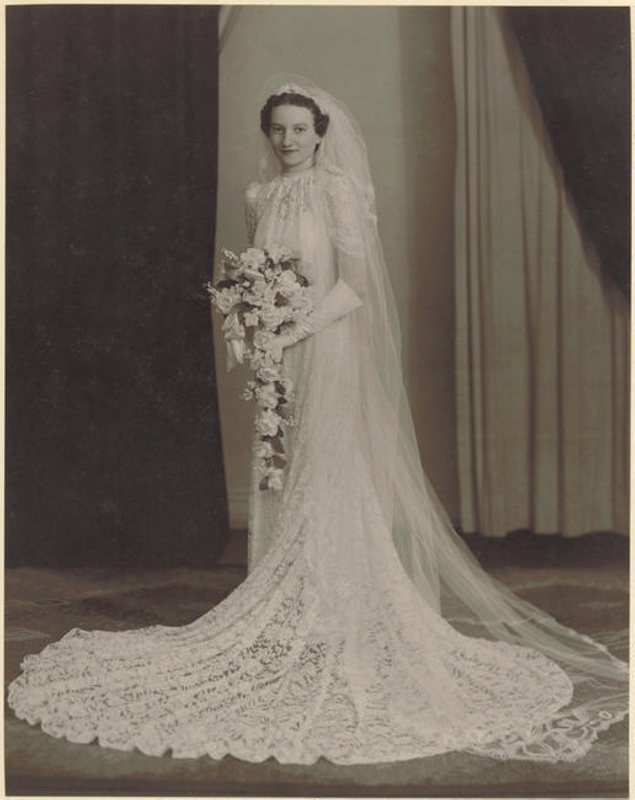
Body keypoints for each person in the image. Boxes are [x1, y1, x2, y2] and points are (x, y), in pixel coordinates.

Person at [8, 75, 627, 765]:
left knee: (324, 471)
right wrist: (252, 325)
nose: (288, 140)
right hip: (279, 355)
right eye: (277, 128)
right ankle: (287, 609)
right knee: (278, 469)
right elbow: (257, 276)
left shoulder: (338, 190)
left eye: (300, 128)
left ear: (320, 132)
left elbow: (354, 286)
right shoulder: (258, 195)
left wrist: (291, 325)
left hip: (326, 349)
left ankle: (338, 612)